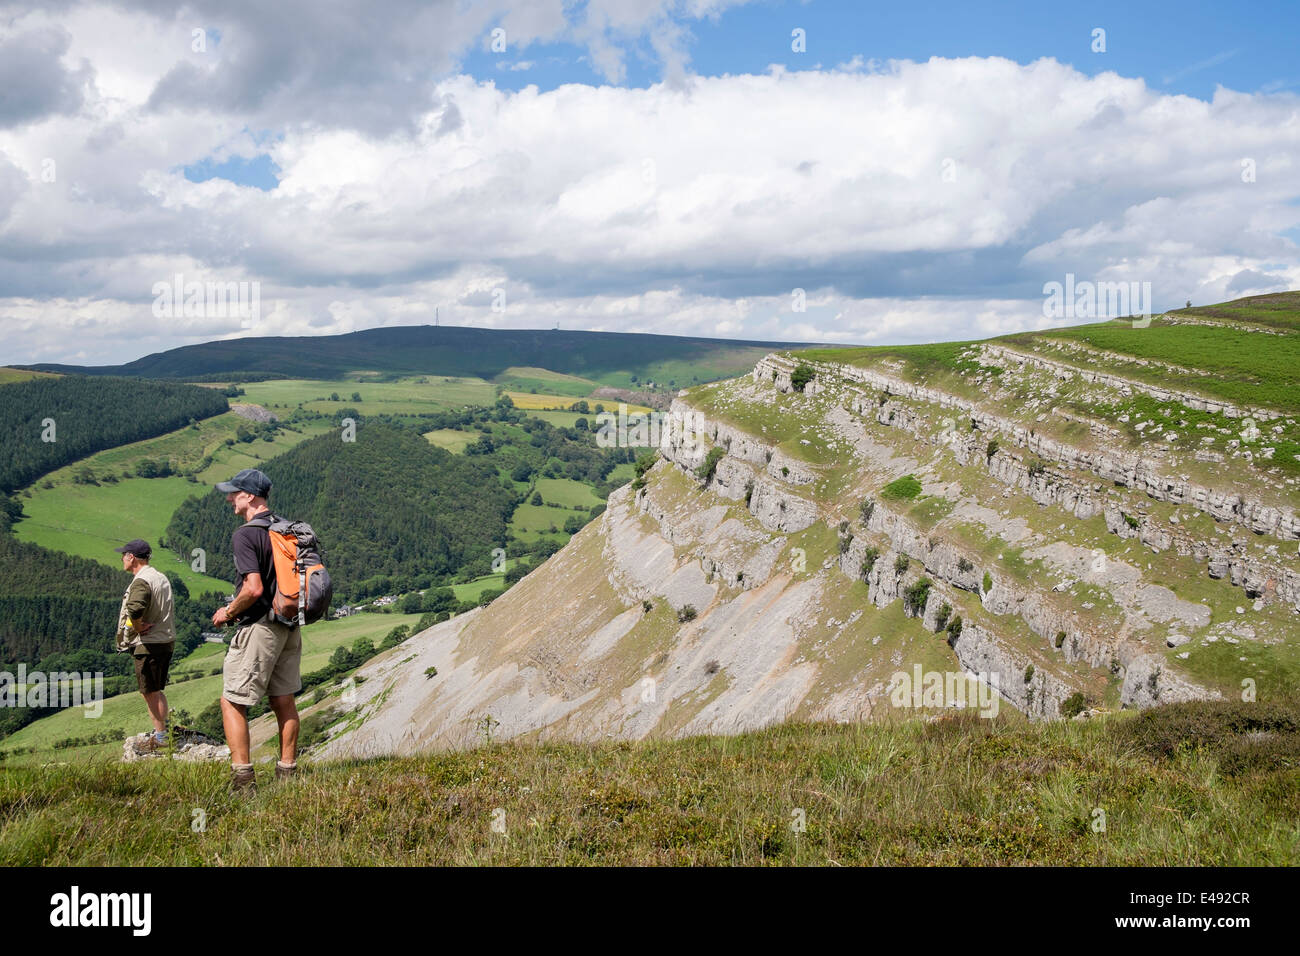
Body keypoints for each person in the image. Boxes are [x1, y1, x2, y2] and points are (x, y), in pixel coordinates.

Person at [211, 468, 302, 791]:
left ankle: (243, 781)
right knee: (283, 700)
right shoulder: (286, 530)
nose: (229, 498)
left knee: (233, 701)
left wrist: (227, 612)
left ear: (249, 496)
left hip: (260, 628)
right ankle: (287, 773)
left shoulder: (245, 535)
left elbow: (253, 588)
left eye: (234, 493)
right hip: (289, 625)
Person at [113, 539, 175, 751]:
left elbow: (135, 608)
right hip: (164, 640)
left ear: (131, 557)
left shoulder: (141, 581)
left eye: (123, 555)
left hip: (149, 643)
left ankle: (160, 736)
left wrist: (137, 627)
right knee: (156, 689)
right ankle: (164, 730)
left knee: (149, 691)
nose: (121, 558)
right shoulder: (160, 577)